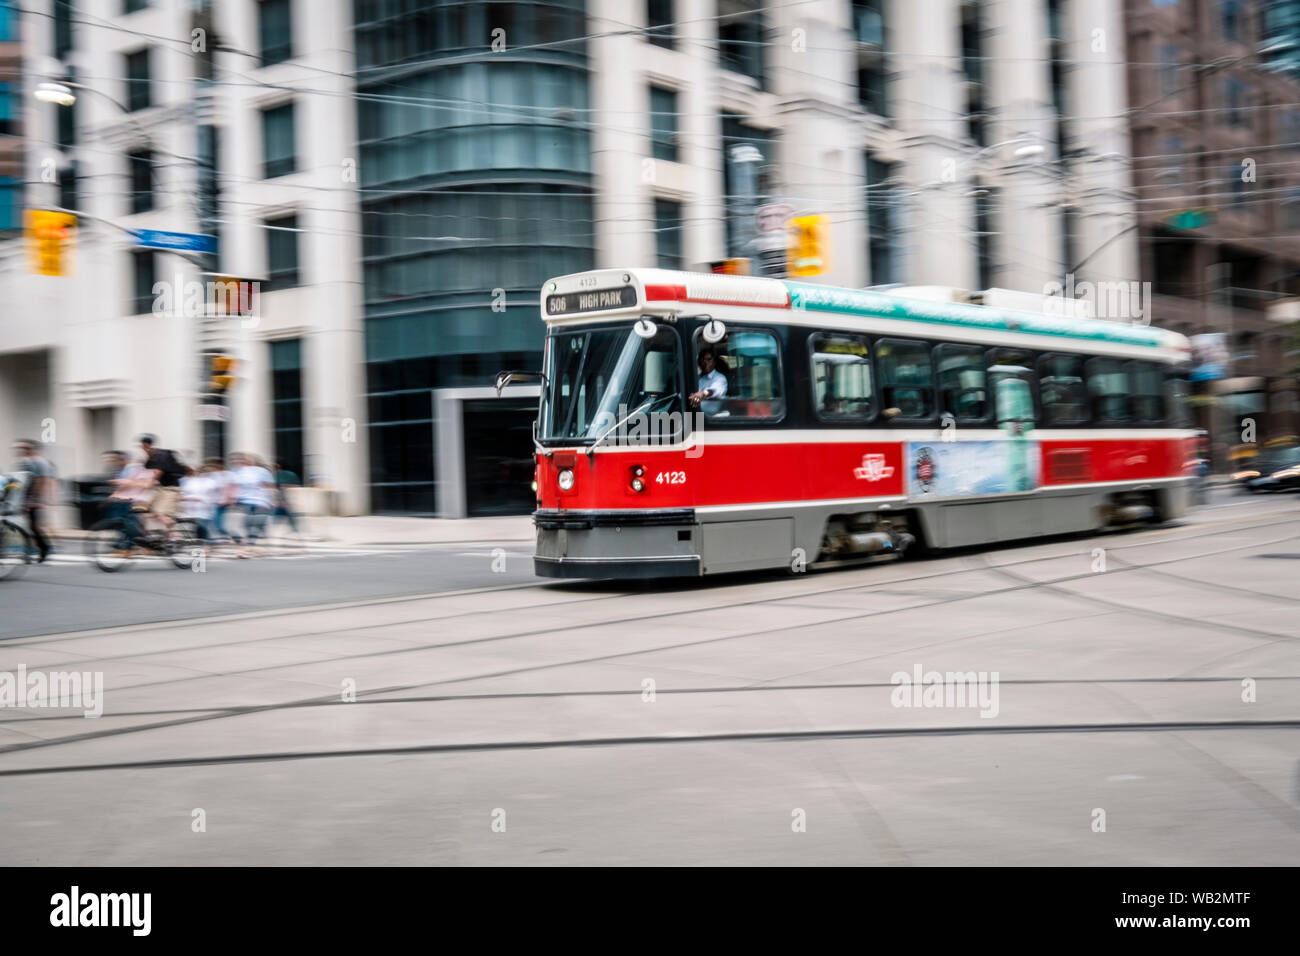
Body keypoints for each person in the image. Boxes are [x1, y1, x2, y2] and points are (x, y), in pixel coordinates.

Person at [10, 439, 55, 563]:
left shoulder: (38, 462)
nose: (20, 450)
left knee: (32, 526)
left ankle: (41, 548)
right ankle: (36, 549)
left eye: (23, 448)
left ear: (32, 449)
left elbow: (41, 480)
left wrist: (32, 497)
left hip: (32, 500)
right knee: (29, 526)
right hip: (27, 498)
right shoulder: (27, 461)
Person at [138, 434, 186, 531]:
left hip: (171, 488)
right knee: (145, 508)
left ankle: (176, 531)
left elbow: (156, 475)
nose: (145, 449)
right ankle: (162, 533)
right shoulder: (149, 460)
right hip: (161, 488)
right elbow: (146, 475)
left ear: (152, 445)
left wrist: (145, 485)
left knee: (160, 513)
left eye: (146, 447)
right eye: (143, 447)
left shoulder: (162, 456)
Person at [230, 453, 276, 553]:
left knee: (257, 522)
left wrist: (271, 500)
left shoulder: (261, 471)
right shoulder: (239, 472)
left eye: (244, 460)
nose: (241, 463)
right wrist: (234, 499)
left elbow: (270, 486)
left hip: (261, 501)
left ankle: (250, 544)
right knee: (247, 523)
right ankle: (250, 543)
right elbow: (235, 486)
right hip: (246, 501)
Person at [271, 461, 300, 535]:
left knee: (276, 514)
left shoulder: (278, 475)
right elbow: (296, 485)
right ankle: (295, 529)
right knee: (289, 513)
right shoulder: (292, 474)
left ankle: (270, 530)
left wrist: (279, 499)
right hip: (290, 495)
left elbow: (275, 487)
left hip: (283, 495)